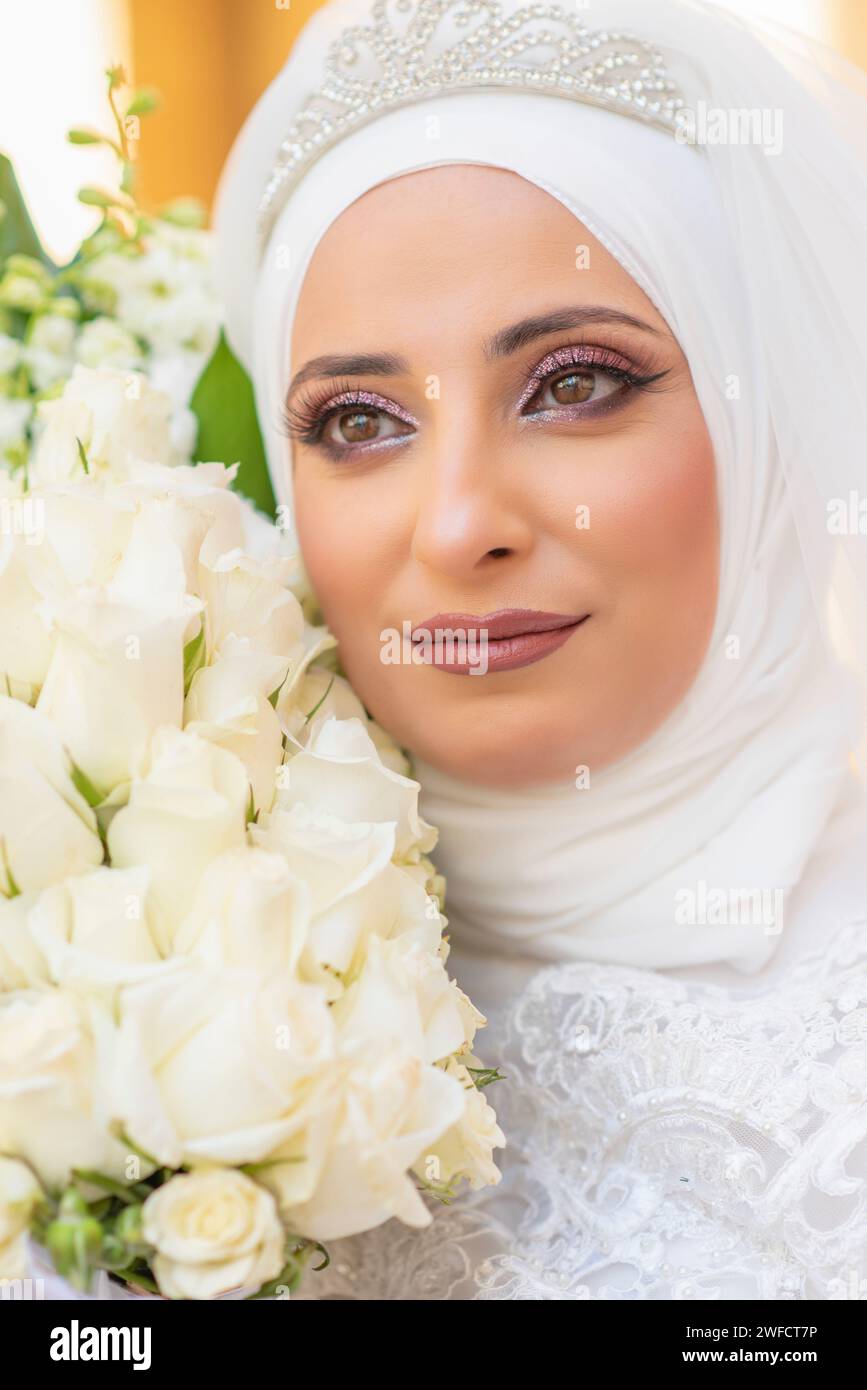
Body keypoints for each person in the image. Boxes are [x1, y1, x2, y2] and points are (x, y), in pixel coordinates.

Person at [214, 0, 867, 1299]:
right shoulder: (143, 948)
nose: (460, 527)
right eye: (359, 419)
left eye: (575, 383)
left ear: (771, 406)